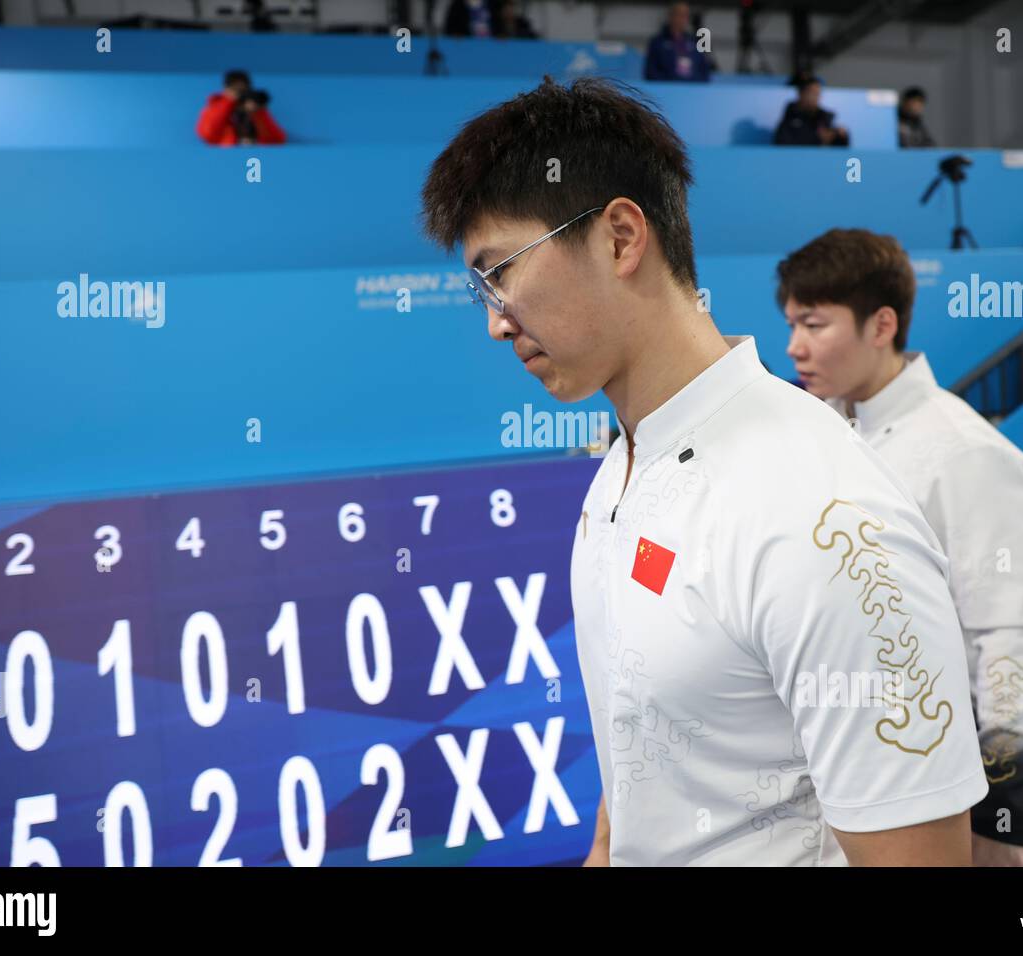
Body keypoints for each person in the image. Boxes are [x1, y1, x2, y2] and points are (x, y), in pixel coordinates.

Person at [420, 77, 988, 866]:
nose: (494, 320)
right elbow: (644, 766)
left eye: (502, 270)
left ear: (621, 236)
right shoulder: (621, 468)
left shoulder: (821, 517)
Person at [778, 228, 1023, 866]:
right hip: (838, 766)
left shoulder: (967, 452)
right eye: (792, 323)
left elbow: (1009, 636)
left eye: (815, 324)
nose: (795, 346)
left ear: (881, 325)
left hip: (936, 787)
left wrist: (1002, 811)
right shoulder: (826, 432)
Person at [196, 70, 286, 146]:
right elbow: (208, 134)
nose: (239, 94)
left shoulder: (257, 110)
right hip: (228, 155)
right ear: (225, 89)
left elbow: (277, 140)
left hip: (255, 157)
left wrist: (258, 112)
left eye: (242, 90)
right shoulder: (215, 106)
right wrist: (228, 102)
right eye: (235, 89)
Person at [773, 73, 849, 146]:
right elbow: (782, 143)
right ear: (801, 94)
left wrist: (840, 136)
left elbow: (837, 148)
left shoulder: (824, 117)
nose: (816, 98)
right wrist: (818, 139)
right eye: (812, 93)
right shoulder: (790, 117)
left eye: (818, 94)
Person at [644, 2, 711, 82]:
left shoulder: (694, 42)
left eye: (685, 15)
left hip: (692, 90)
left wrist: (693, 84)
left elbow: (704, 71)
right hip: (666, 89)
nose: (682, 19)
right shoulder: (657, 42)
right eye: (679, 14)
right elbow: (650, 72)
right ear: (670, 16)